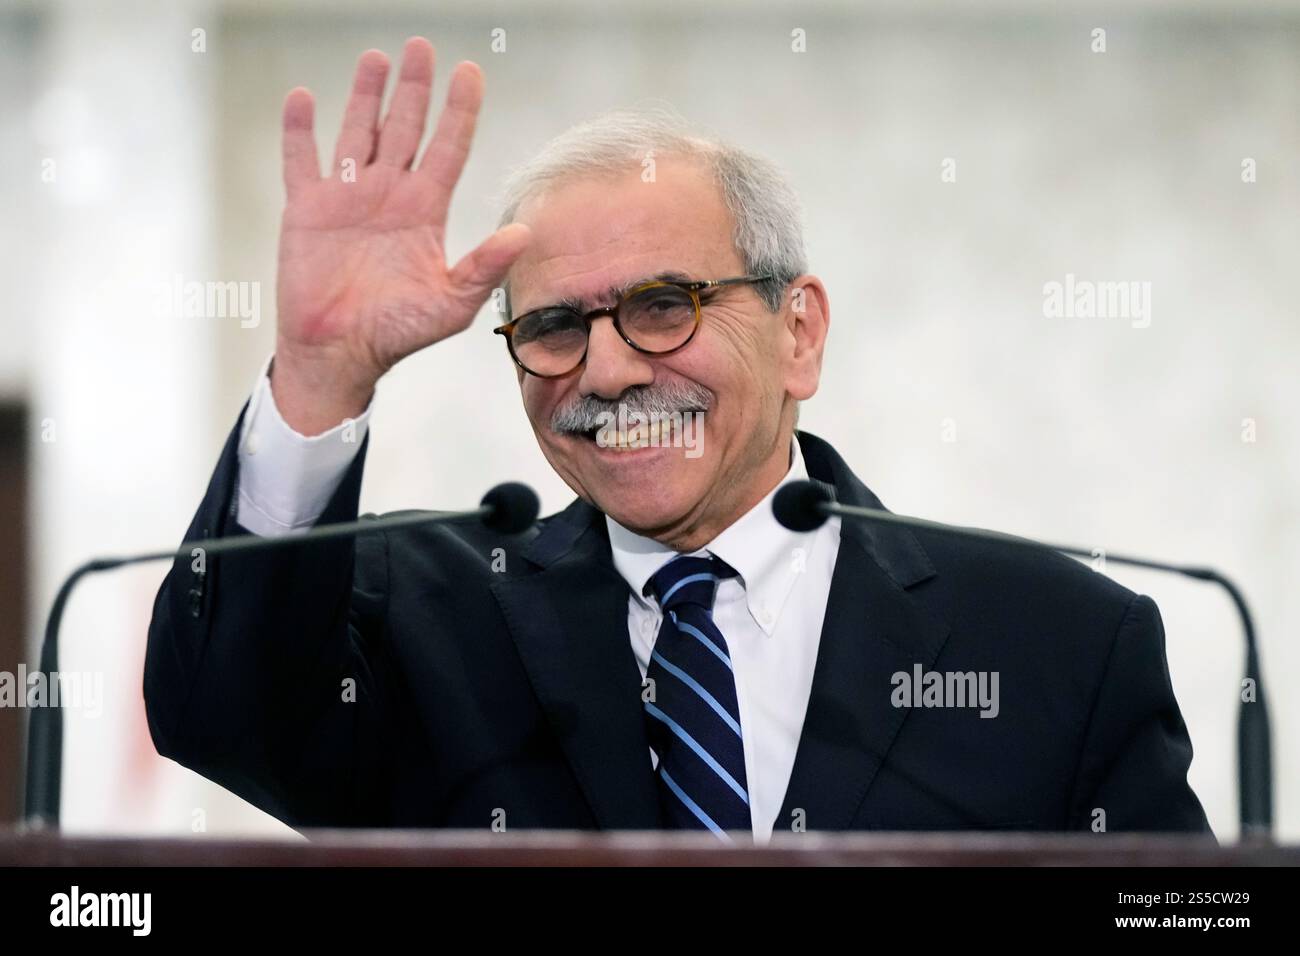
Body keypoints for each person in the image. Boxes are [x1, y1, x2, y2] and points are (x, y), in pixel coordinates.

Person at [144, 36, 1211, 842]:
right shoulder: (420, 608)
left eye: (664, 305)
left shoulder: (1057, 643)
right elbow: (224, 712)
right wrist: (323, 377)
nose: (605, 372)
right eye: (555, 327)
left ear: (799, 332)